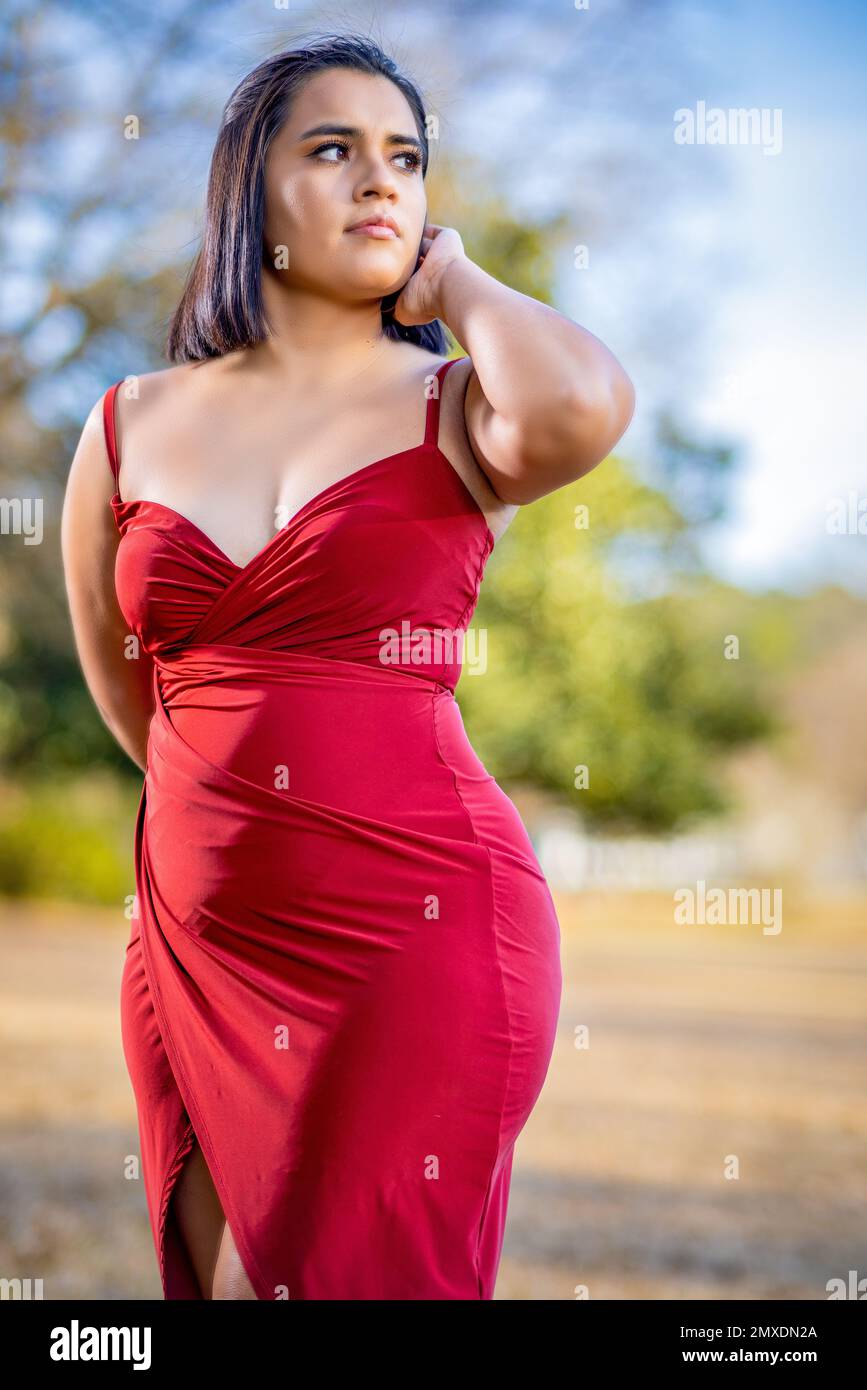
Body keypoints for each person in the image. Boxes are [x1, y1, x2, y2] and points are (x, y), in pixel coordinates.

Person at [62, 33, 634, 1300]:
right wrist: (228, 815)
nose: (381, 183)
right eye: (334, 151)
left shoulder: (459, 406)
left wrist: (465, 283)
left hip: (421, 935)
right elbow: (122, 677)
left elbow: (583, 404)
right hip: (198, 944)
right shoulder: (127, 421)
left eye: (406, 160)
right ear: (247, 194)